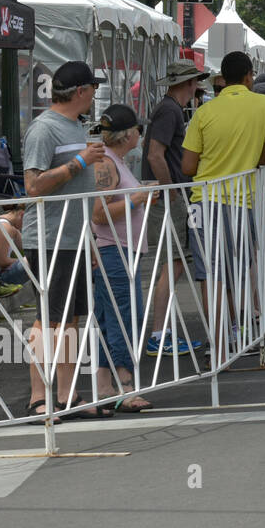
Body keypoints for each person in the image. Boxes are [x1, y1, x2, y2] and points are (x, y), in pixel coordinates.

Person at [21, 61, 111, 419]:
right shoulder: (44, 129)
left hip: (71, 236)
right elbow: (33, 186)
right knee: (49, 319)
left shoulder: (75, 126)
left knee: (70, 319)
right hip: (47, 238)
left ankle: (67, 394)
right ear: (80, 92)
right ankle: (38, 397)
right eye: (93, 88)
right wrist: (80, 161)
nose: (94, 95)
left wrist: (86, 236)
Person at [182, 51, 265, 357]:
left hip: (204, 200)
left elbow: (188, 166)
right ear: (250, 75)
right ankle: (242, 330)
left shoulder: (203, 112)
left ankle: (219, 341)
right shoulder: (264, 104)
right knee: (239, 269)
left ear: (222, 79)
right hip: (241, 199)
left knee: (209, 274)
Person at [89, 104, 157, 411]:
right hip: (113, 249)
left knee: (110, 318)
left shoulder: (115, 160)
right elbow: (99, 214)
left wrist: (138, 197)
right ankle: (125, 386)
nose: (141, 134)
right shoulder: (107, 163)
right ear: (129, 134)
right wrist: (137, 198)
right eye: (138, 129)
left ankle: (104, 387)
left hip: (121, 249)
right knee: (125, 317)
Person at [141, 58, 208, 358]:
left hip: (171, 192)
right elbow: (156, 154)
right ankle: (158, 332)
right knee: (174, 261)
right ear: (189, 83)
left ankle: (160, 331)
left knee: (174, 261)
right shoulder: (169, 110)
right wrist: (170, 192)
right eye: (195, 81)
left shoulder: (169, 109)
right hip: (169, 194)